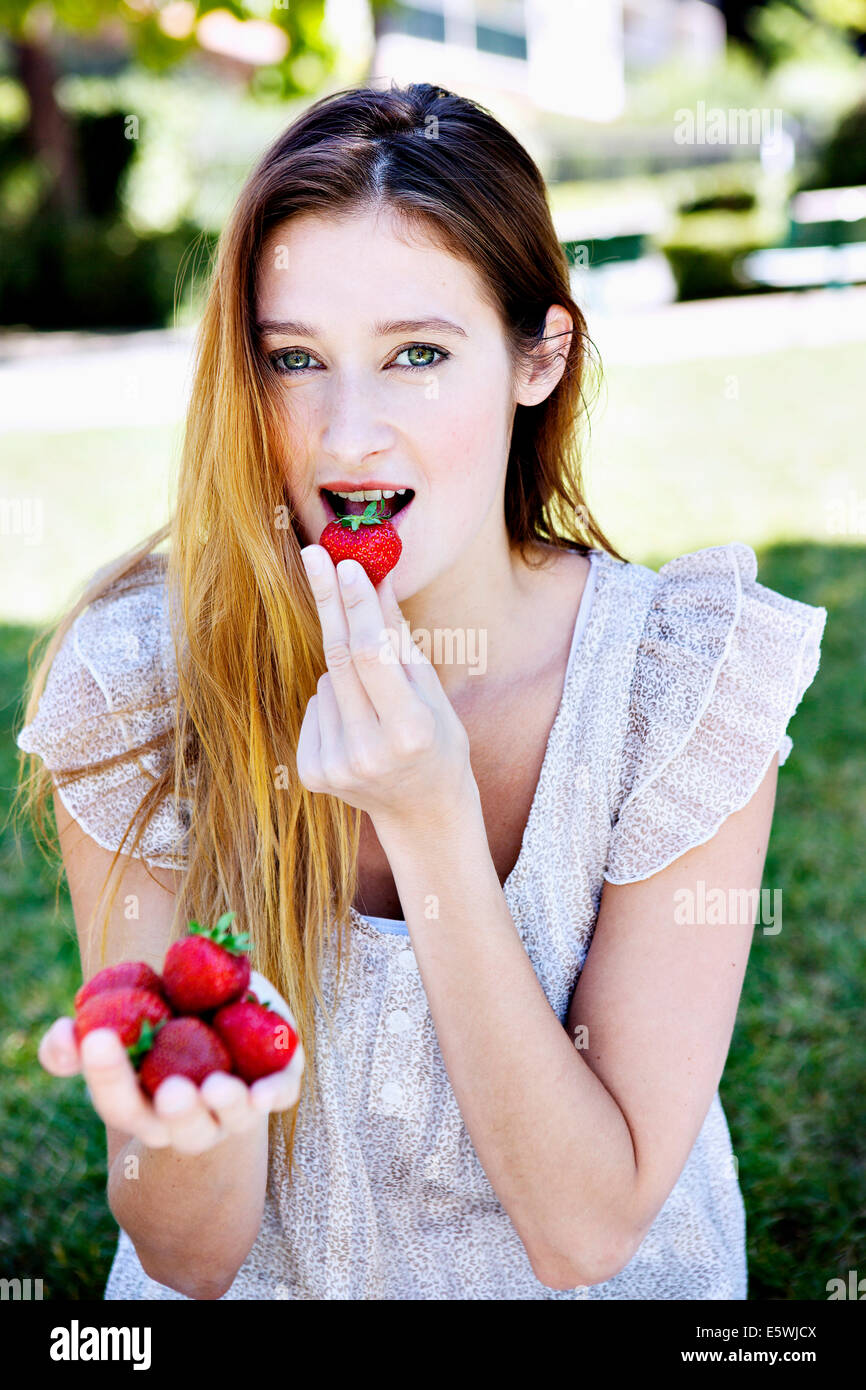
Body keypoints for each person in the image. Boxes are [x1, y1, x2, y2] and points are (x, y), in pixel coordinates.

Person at [16, 82, 827, 1300]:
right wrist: (192, 1119)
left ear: (537, 355)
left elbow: (586, 1233)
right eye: (295, 358)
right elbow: (187, 1255)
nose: (347, 436)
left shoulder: (675, 684)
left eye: (416, 356)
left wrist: (431, 819)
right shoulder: (143, 684)